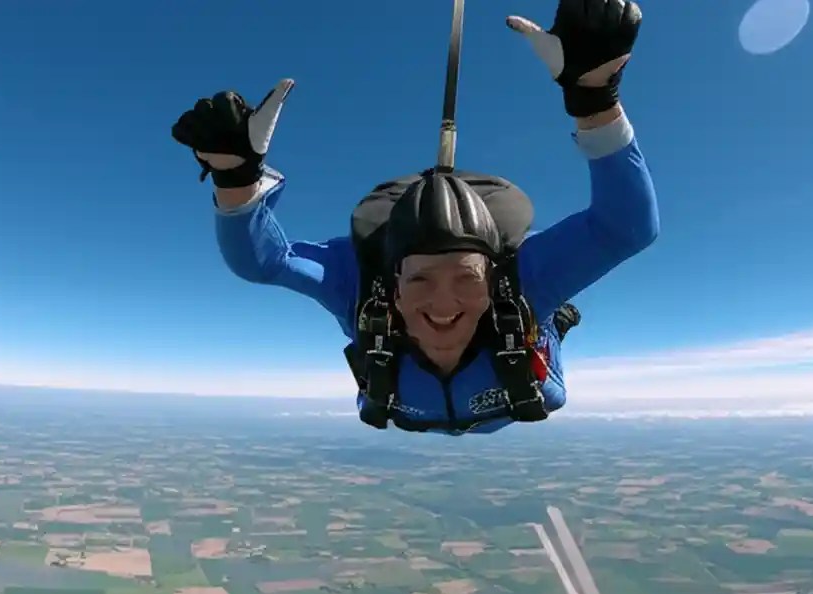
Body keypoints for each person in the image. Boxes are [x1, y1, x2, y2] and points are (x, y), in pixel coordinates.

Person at [171, 0, 660, 435]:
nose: (443, 301)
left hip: (493, 367)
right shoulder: (363, 287)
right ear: (394, 281)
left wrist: (596, 101)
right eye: (421, 278)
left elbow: (629, 227)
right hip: (494, 390)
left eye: (466, 277)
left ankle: (555, 319)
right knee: (540, 308)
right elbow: (265, 261)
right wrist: (237, 178)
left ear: (493, 278)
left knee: (543, 310)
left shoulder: (524, 281)